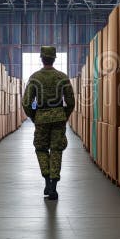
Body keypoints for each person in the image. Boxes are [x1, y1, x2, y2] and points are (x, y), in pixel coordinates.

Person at [22, 46, 75, 200]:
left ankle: (47, 180)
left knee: (41, 149)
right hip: (59, 117)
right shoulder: (63, 77)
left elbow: (26, 102)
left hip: (42, 118)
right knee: (56, 150)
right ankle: (53, 187)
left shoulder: (34, 77)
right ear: (54, 58)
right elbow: (71, 101)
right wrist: (64, 115)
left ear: (41, 58)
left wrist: (34, 116)